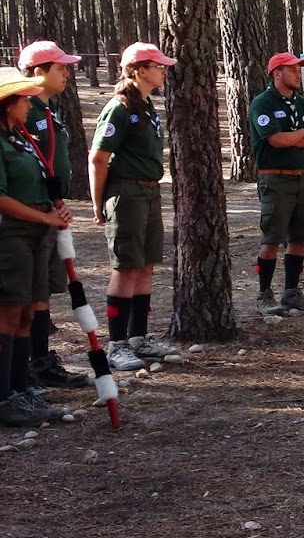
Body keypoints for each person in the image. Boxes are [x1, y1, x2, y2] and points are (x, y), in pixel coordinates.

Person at [89, 42, 181, 371]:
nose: (164, 71)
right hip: (126, 193)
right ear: (140, 70)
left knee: (145, 265)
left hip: (148, 191)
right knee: (126, 267)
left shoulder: (145, 105)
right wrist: (98, 203)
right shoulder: (119, 108)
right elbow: (98, 157)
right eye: (158, 66)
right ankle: (116, 345)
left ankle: (138, 337)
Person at [0, 67, 71, 426]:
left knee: (28, 312)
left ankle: (20, 387)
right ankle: (4, 398)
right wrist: (44, 219)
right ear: (7, 104)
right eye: (24, 99)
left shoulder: (19, 137)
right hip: (12, 236)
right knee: (8, 313)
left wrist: (55, 210)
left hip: (37, 233)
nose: (30, 105)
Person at [17, 41, 90, 388]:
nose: (67, 74)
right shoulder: (23, 110)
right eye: (60, 68)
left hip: (48, 208)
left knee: (43, 289)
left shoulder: (48, 110)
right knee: (27, 293)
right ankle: (27, 367)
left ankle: (41, 361)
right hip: (28, 213)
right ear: (38, 72)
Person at [251, 52, 304, 314]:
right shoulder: (263, 103)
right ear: (277, 73)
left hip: (302, 177)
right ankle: (264, 295)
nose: (298, 74)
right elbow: (275, 140)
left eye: (299, 70)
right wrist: (301, 133)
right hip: (275, 178)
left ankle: (291, 292)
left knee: (299, 237)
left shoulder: (303, 104)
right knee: (272, 238)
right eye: (293, 70)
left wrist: (295, 136)